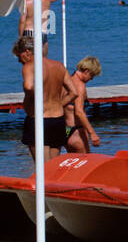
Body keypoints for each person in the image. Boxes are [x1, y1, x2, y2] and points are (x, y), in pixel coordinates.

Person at [15, 37, 73, 165]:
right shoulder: (58, 66)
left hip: (39, 119)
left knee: (43, 167)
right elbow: (73, 92)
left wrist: (29, 100)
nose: (19, 60)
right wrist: (59, 104)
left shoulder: (30, 66)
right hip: (58, 119)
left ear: (27, 52)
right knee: (53, 166)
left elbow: (28, 86)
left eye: (19, 56)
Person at [64, 55, 102, 153]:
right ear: (86, 71)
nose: (91, 79)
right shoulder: (80, 85)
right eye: (92, 75)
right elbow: (79, 112)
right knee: (85, 160)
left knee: (72, 161)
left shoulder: (68, 80)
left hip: (66, 130)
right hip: (76, 131)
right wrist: (92, 133)